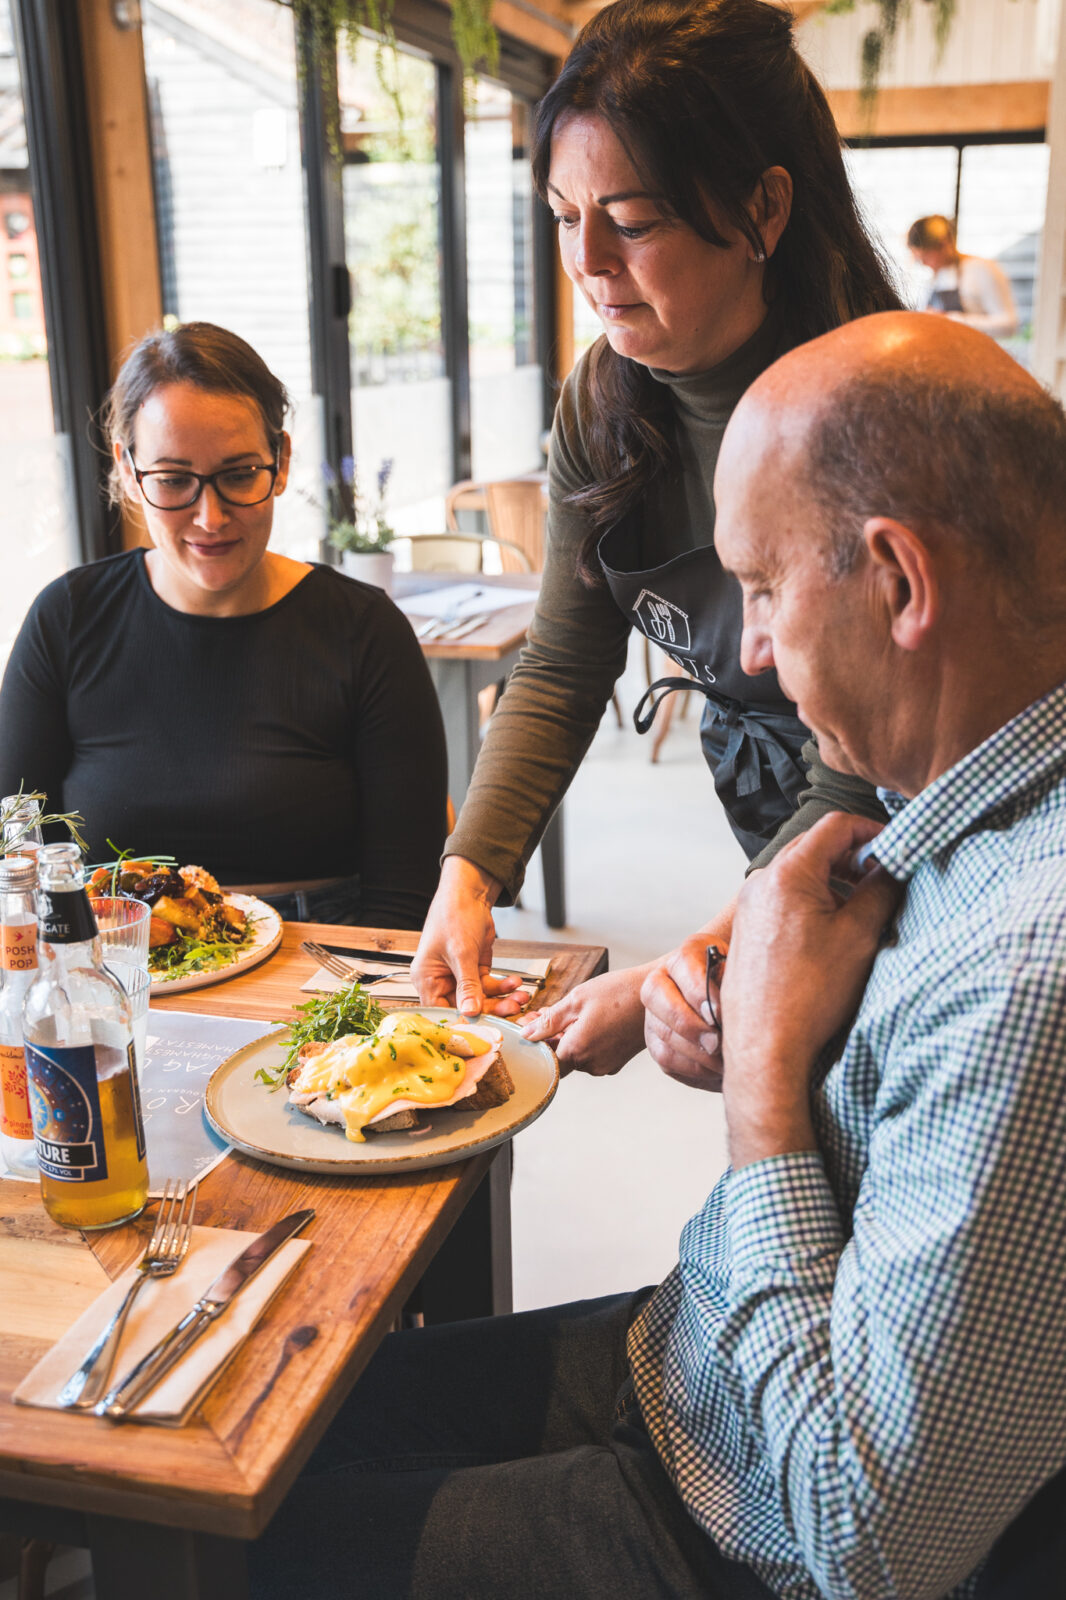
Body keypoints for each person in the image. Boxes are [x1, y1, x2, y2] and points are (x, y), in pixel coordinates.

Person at [249, 311, 1066, 1600]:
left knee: (232, 1547)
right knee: (273, 1419)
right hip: (699, 1349)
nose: (746, 653)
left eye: (763, 587)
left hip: (760, 1516)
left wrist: (766, 1082)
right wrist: (726, 994)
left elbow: (869, 1542)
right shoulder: (953, 803)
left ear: (900, 581)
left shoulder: (1026, 978)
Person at [412, 0, 898, 1071]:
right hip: (777, 822)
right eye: (562, 214)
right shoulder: (604, 402)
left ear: (763, 208)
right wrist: (470, 871)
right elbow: (561, 661)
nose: (588, 260)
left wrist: (684, 973)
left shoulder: (872, 416)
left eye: (631, 221)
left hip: (901, 847)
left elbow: (869, 771)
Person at [0, 322, 447, 929]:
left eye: (238, 475)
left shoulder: (365, 631)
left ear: (280, 462)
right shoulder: (67, 618)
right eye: (173, 480)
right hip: (114, 961)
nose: (210, 517)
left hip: (324, 957)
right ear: (129, 470)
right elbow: (19, 850)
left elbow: (406, 896)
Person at [908, 213, 1019, 337]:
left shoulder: (981, 269)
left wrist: (951, 320)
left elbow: (1009, 325)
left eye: (926, 256)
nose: (924, 263)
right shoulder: (935, 278)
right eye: (919, 259)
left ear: (944, 244)